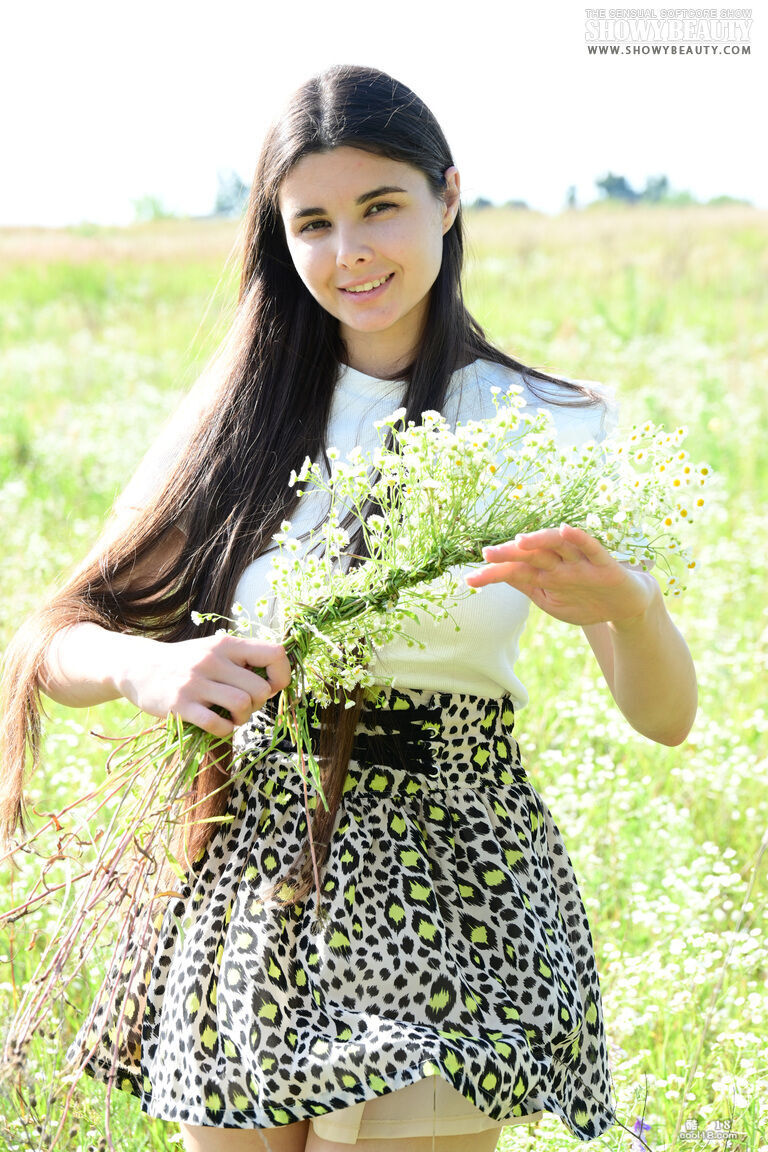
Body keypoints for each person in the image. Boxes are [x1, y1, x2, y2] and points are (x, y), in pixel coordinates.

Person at [0, 63, 697, 1152]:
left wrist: (631, 609)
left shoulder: (556, 422)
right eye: (311, 223)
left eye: (381, 208)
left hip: (454, 867)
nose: (349, 252)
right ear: (278, 238)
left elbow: (664, 716)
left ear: (449, 198)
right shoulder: (238, 417)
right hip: (254, 862)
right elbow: (57, 637)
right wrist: (152, 669)